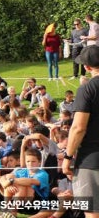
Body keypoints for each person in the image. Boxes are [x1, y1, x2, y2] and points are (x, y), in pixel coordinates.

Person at [63, 45, 99, 217]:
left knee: (92, 212)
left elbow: (78, 128)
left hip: (91, 160)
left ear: (86, 67)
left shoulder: (87, 89)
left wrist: (67, 157)